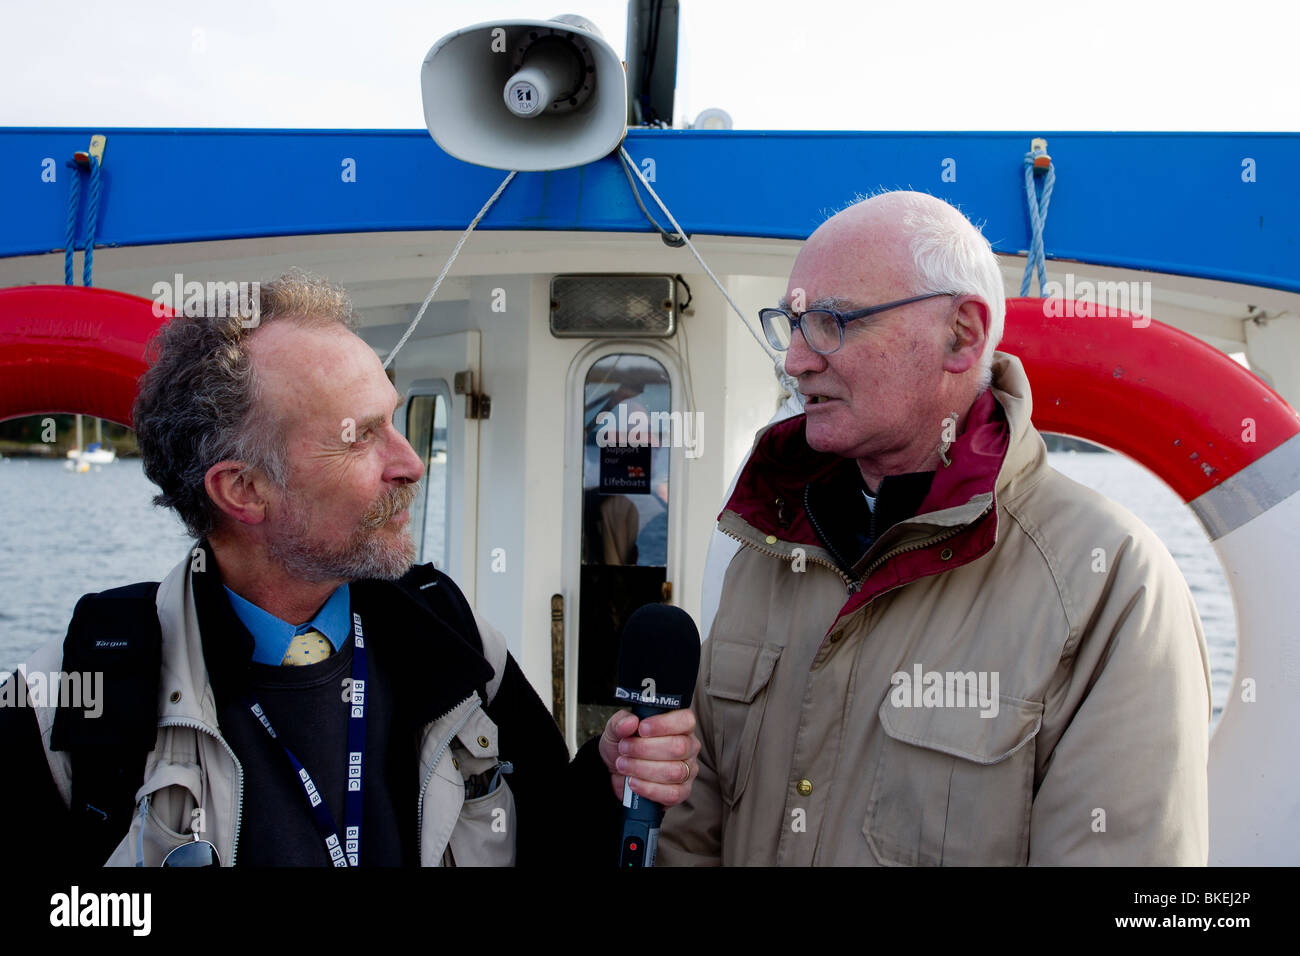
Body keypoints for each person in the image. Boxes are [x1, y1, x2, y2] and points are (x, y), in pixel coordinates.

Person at [0, 272, 698, 867]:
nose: (412, 462)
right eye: (361, 436)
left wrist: (608, 776)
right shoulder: (66, 704)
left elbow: (554, 845)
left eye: (395, 420)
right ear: (243, 490)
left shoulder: (453, 640)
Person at [659, 190, 1211, 866]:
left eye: (832, 321)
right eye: (791, 323)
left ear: (962, 335)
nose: (796, 360)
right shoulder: (768, 545)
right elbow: (691, 834)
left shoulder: (1109, 583)